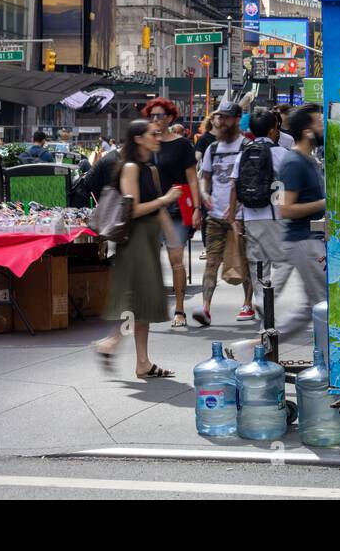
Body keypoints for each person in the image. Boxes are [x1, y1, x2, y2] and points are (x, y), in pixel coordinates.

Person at [91, 120, 181, 379]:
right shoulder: (130, 168)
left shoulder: (148, 169)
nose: (158, 137)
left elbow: (159, 208)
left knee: (145, 301)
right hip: (135, 241)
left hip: (148, 240)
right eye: (153, 134)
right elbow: (135, 210)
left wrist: (173, 241)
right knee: (137, 299)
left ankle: (142, 362)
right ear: (138, 139)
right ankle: (110, 343)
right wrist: (165, 200)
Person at [142, 97, 203, 327]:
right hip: (150, 208)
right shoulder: (146, 143)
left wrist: (197, 209)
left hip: (175, 209)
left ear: (169, 118)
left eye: (160, 115)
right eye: (152, 116)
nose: (155, 120)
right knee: (146, 260)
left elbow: (192, 179)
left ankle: (179, 310)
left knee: (176, 260)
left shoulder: (181, 145)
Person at [230, 109, 293, 327]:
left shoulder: (243, 153)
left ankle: (262, 303)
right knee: (285, 261)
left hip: (251, 215)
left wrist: (233, 218)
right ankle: (269, 300)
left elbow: (234, 186)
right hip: (276, 215)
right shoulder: (283, 154)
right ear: (273, 129)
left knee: (258, 264)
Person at [194, 102, 253, 325]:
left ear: (237, 119)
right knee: (212, 261)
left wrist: (239, 203)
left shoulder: (247, 146)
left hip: (241, 216)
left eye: (226, 118)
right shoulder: (213, 148)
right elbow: (205, 176)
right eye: (218, 118)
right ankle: (205, 308)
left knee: (245, 260)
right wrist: (204, 193)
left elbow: (250, 181)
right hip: (216, 215)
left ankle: (247, 302)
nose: (220, 122)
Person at [275, 104, 328, 344]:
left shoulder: (308, 159)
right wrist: (325, 203)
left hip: (310, 241)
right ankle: (327, 364)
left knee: (311, 309)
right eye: (319, 122)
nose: (323, 126)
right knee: (324, 306)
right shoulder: (294, 162)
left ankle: (260, 346)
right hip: (305, 242)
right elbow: (286, 208)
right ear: (307, 131)